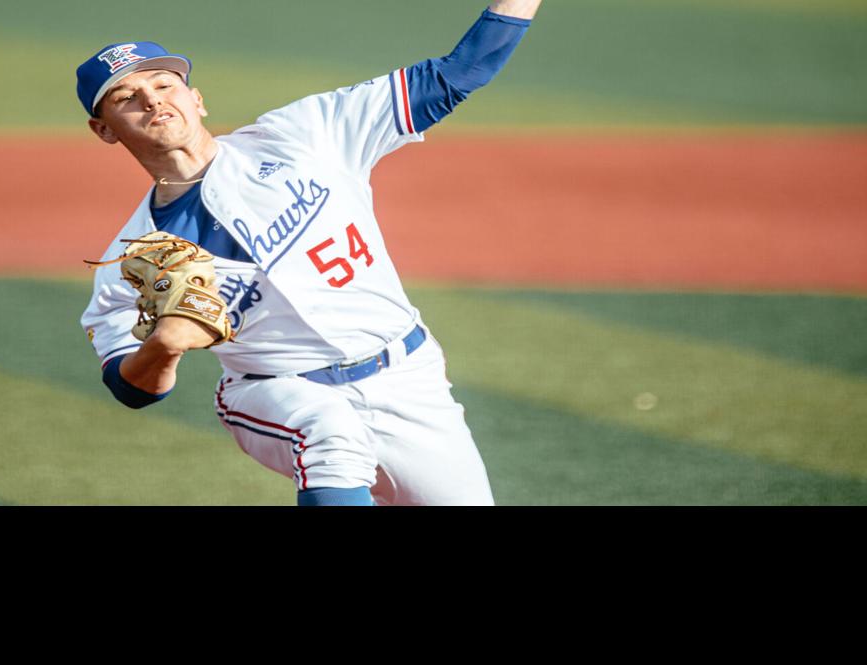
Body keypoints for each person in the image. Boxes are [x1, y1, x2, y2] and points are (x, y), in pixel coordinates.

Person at [76, 1, 543, 506]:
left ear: (196, 99)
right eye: (127, 96)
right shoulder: (132, 258)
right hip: (277, 391)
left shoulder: (303, 135)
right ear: (104, 129)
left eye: (164, 84)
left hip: (409, 377)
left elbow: (459, 73)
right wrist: (163, 348)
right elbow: (130, 388)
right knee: (329, 434)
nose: (152, 100)